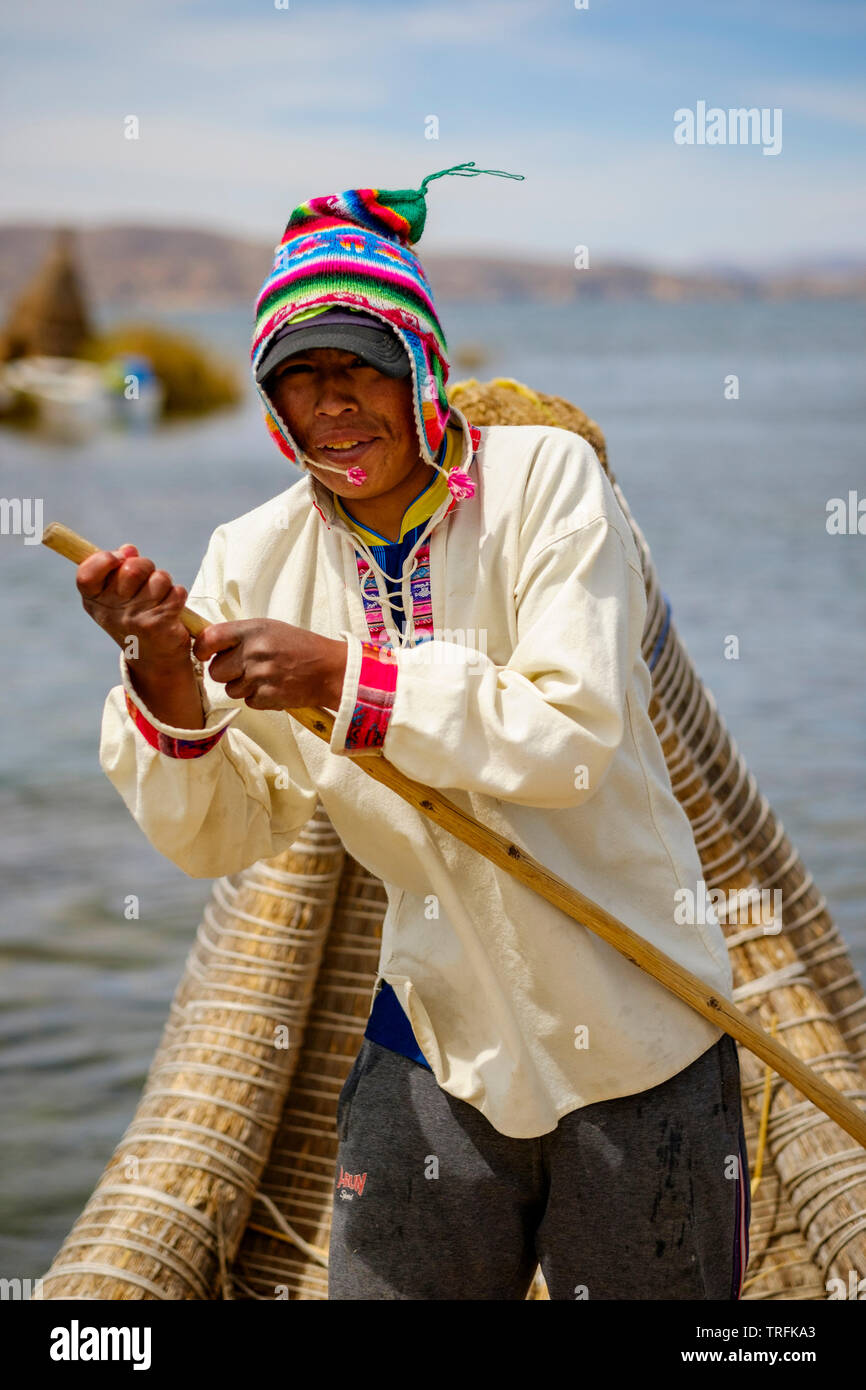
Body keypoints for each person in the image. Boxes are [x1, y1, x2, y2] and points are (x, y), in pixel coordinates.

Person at [78, 164, 749, 1301]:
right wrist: (157, 669)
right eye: (300, 378)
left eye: (360, 369)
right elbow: (226, 830)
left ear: (421, 368)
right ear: (270, 403)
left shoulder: (545, 480)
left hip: (640, 1029)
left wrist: (341, 670)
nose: (332, 404)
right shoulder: (254, 552)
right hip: (436, 1039)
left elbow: (566, 739)